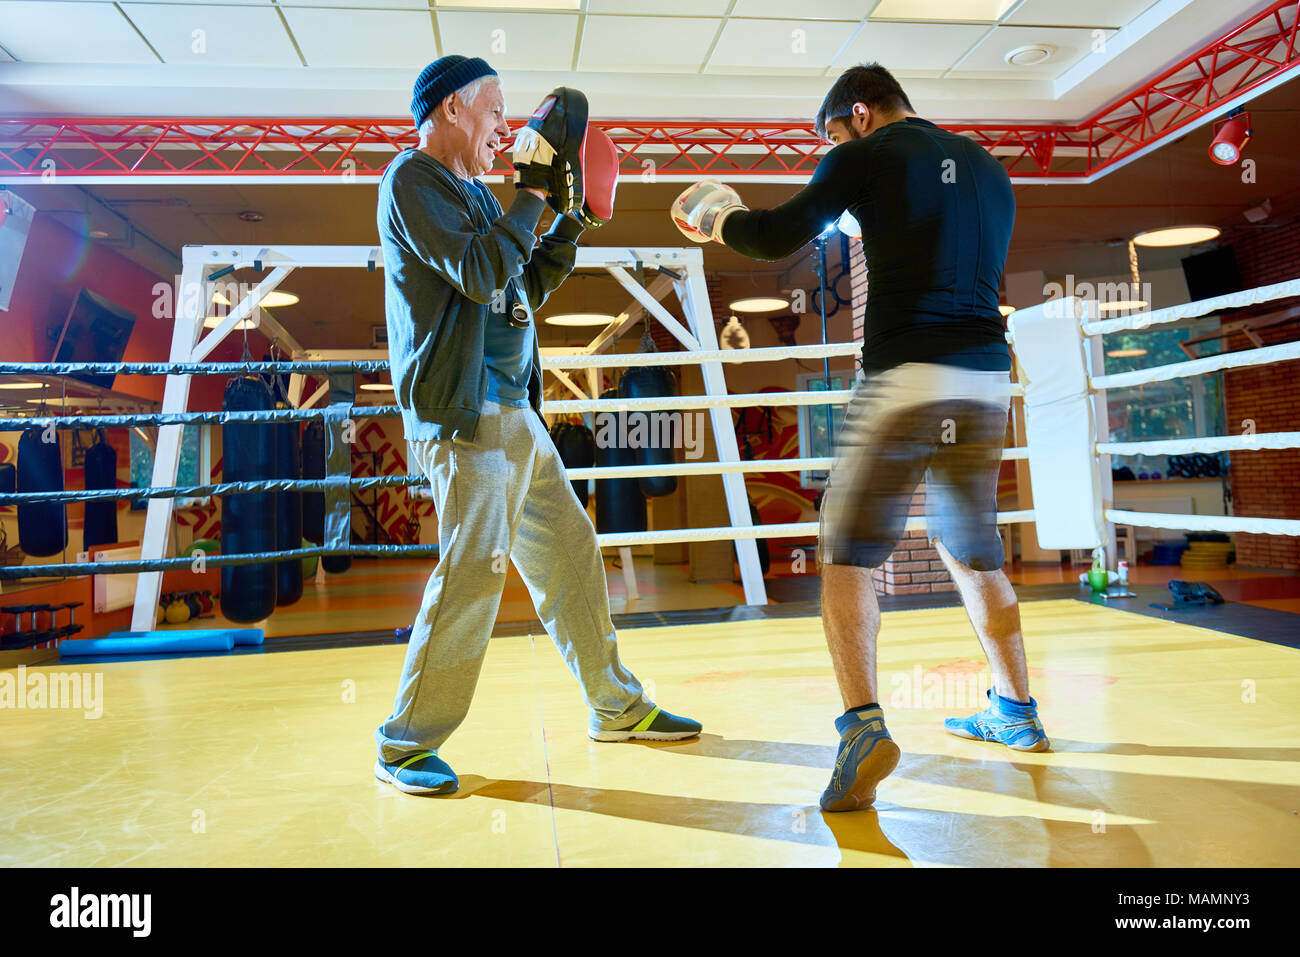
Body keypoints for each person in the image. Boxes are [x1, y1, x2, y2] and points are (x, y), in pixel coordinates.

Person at [671, 62, 1049, 813]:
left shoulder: (866, 152)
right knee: (969, 544)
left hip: (907, 373)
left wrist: (716, 216)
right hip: (982, 377)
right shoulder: (987, 169)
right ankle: (1017, 711)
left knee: (845, 550)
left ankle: (862, 728)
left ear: (859, 114)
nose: (833, 146)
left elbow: (777, 232)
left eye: (834, 134)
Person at [374, 56, 700, 795]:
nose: (506, 126)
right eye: (495, 109)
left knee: (570, 555)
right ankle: (403, 745)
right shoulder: (411, 181)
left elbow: (520, 285)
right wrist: (531, 192)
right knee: (474, 572)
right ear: (453, 107)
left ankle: (615, 704)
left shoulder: (481, 197)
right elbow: (482, 271)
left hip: (515, 410)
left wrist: (565, 218)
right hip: (464, 413)